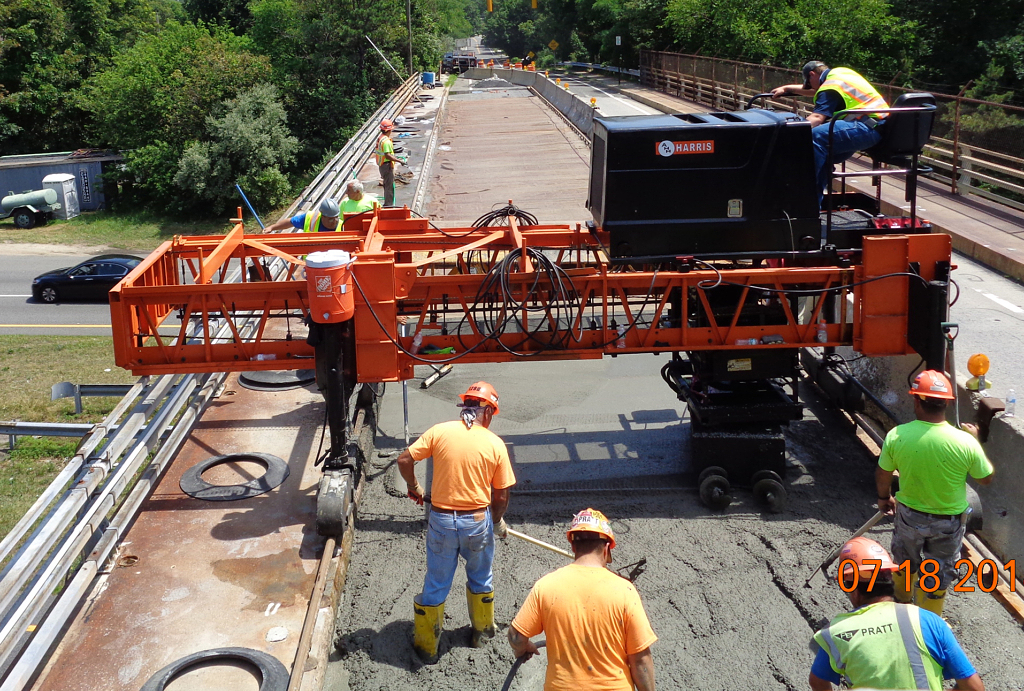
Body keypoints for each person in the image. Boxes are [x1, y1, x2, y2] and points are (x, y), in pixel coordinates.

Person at [396, 381, 515, 663]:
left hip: (442, 522)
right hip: (476, 522)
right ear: (487, 411)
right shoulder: (494, 444)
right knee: (481, 578)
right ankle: (482, 635)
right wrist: (496, 522)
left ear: (466, 406)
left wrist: (414, 487)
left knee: (436, 583)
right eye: (492, 413)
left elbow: (404, 460)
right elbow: (500, 496)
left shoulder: (440, 431)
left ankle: (427, 648)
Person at [876, 369, 994, 617]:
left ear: (917, 400)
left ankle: (901, 611)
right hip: (948, 523)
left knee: (905, 564)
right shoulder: (964, 442)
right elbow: (985, 479)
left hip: (909, 516)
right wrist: (975, 441)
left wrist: (883, 497)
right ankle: (929, 622)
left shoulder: (897, 436)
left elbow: (883, 473)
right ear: (948, 403)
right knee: (938, 574)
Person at [508, 508, 657, 691]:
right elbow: (641, 659)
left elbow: (516, 637)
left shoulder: (546, 586)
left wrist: (524, 648)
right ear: (607, 548)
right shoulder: (625, 591)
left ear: (573, 546)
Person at [809, 536, 984, 690]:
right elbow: (974, 688)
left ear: (852, 586)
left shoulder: (836, 632)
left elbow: (817, 681)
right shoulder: (929, 621)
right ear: (890, 578)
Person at [771, 60, 889, 208]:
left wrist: (786, 133)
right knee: (823, 153)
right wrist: (787, 88)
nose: (809, 88)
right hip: (878, 125)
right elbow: (815, 90)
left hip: (866, 127)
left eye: (808, 82)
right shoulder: (841, 73)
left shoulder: (829, 87)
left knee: (814, 137)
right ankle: (812, 205)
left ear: (812, 74)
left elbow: (816, 118)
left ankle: (803, 189)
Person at [375, 119, 406, 208]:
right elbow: (388, 155)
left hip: (382, 165)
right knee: (389, 186)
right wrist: (400, 161)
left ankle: (388, 204)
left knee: (386, 184)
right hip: (387, 165)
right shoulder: (386, 142)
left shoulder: (381, 138)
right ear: (389, 130)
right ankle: (389, 206)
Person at [264, 198, 340, 233]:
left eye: (336, 218)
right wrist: (272, 227)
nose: (334, 221)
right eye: (331, 219)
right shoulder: (311, 219)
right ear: (323, 216)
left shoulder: (343, 226)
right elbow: (290, 222)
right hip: (312, 263)